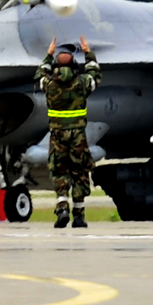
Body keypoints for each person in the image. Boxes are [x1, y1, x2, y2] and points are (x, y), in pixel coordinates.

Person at [36, 37, 101, 228]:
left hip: (57, 136)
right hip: (78, 137)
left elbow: (39, 74)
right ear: (74, 66)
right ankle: (79, 216)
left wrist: (48, 55)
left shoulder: (49, 85)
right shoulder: (82, 83)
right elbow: (95, 74)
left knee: (59, 172)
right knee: (79, 172)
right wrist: (88, 52)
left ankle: (62, 209)